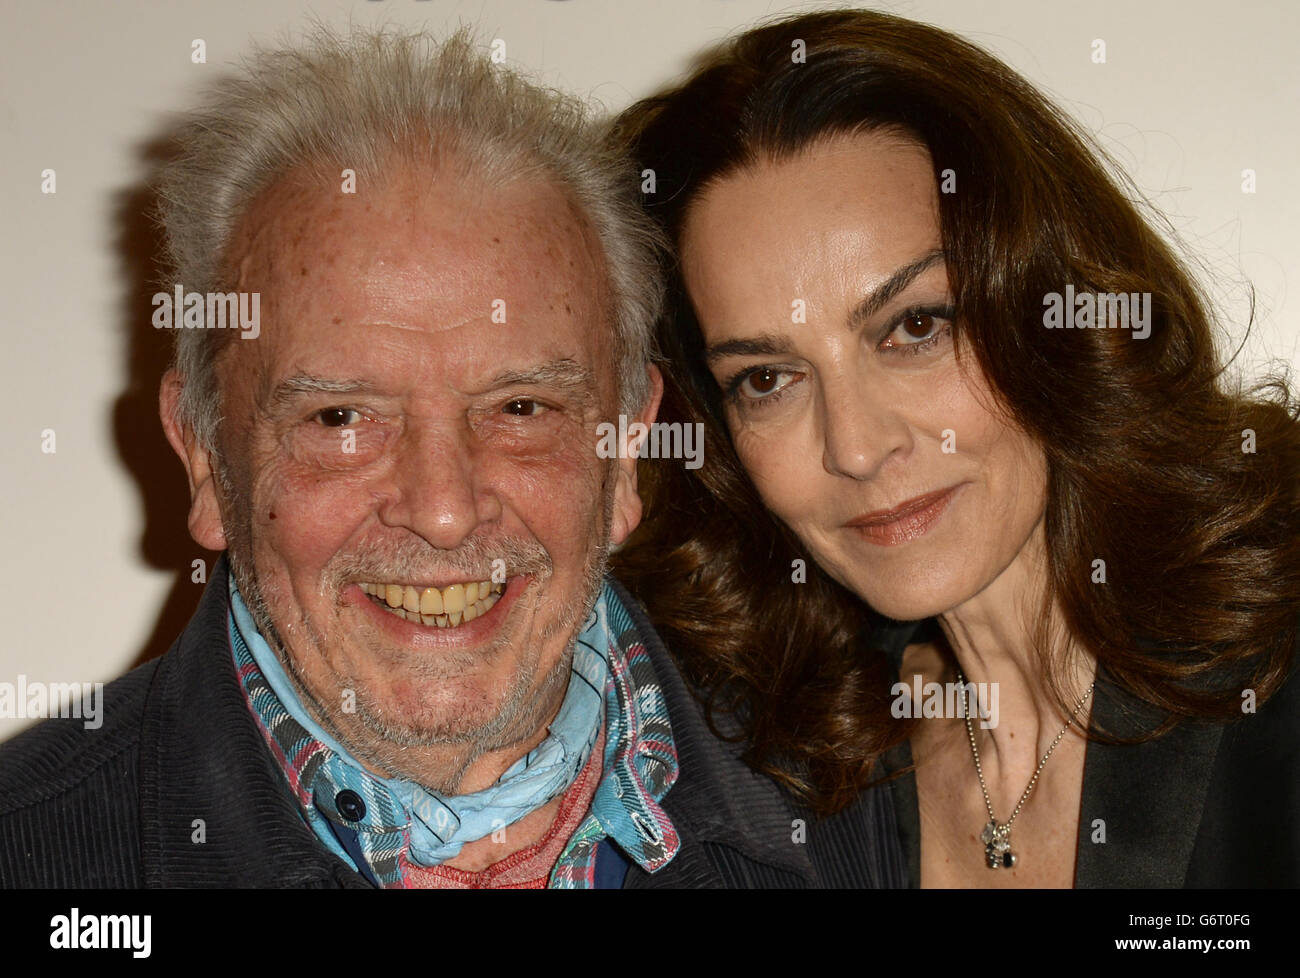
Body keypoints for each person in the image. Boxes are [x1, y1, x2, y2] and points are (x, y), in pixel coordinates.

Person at [0, 26, 904, 889]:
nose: (441, 508)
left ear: (626, 448)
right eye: (341, 418)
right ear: (204, 459)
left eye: (520, 408)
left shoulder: (873, 812)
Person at [611, 8, 1300, 887]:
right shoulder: (801, 775)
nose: (856, 448)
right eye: (767, 379)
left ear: (1049, 303)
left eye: (915, 326)